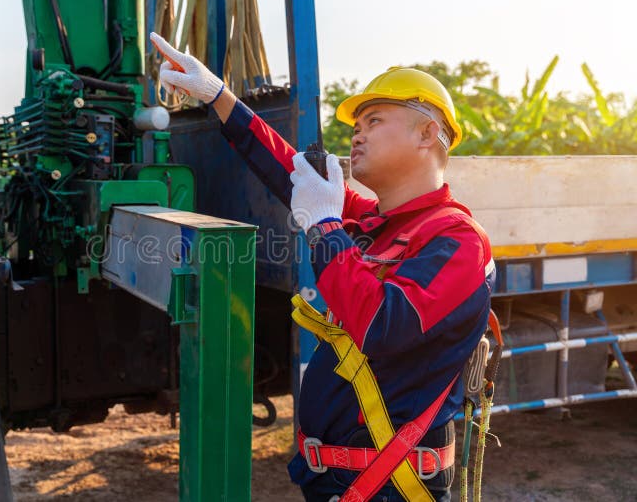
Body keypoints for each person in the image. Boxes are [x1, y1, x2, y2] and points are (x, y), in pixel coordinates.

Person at [150, 32, 495, 502]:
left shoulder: (458, 242)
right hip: (346, 481)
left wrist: (326, 226)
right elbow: (286, 170)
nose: (357, 134)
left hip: (393, 487)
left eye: (374, 120)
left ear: (427, 134)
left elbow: (382, 326)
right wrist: (218, 95)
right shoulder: (378, 224)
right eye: (357, 125)